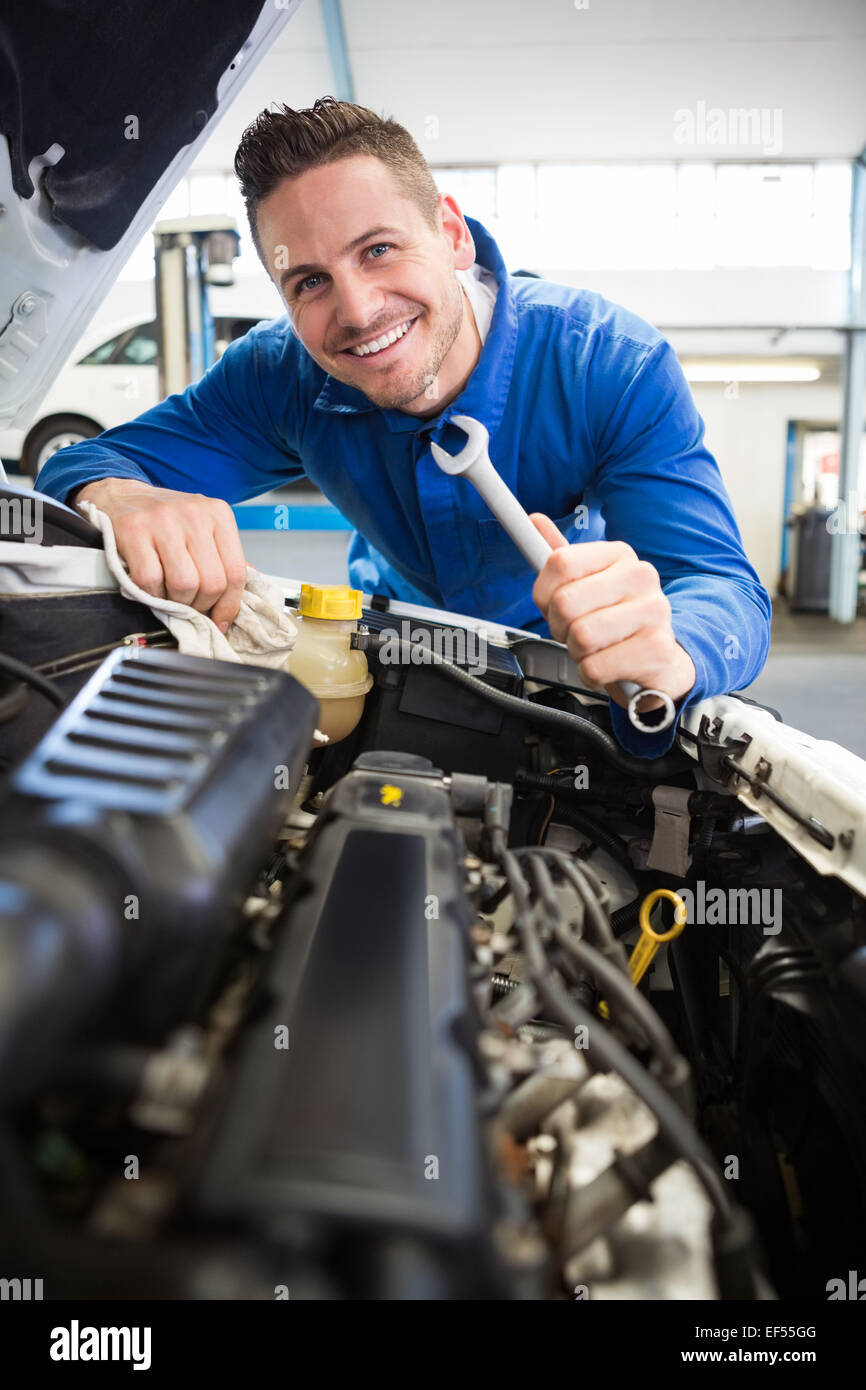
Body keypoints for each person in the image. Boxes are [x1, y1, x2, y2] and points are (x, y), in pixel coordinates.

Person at [35, 97, 771, 755]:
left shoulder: (605, 362)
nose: (356, 311)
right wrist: (117, 494)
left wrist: (673, 647)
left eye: (378, 250)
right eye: (311, 281)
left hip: (567, 676)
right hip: (388, 660)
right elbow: (87, 463)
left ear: (452, 233)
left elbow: (720, 586)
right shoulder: (278, 375)